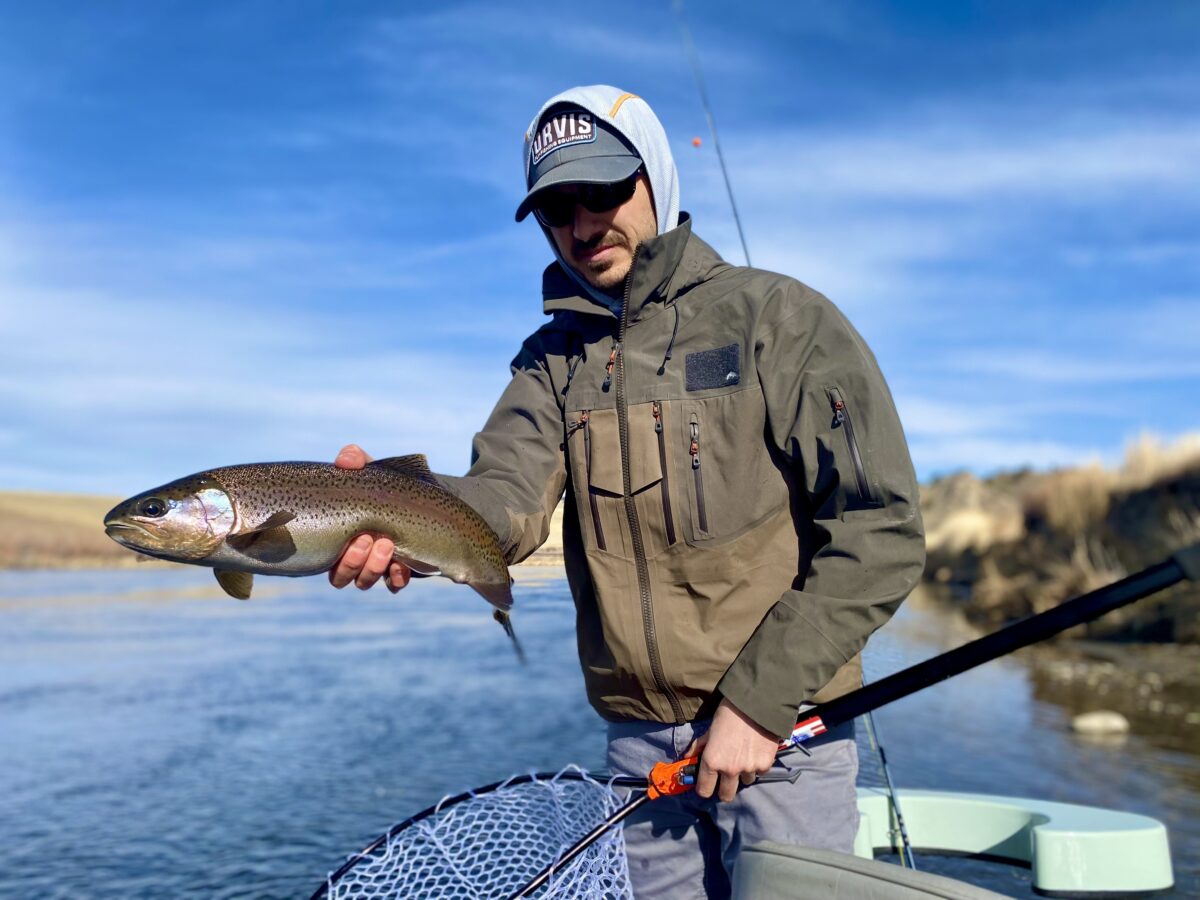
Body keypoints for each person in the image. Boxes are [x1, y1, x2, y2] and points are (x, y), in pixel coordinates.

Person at [329, 85, 925, 898]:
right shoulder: (550, 364)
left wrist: (762, 699)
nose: (581, 226)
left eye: (604, 192)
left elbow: (881, 529)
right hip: (642, 759)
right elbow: (504, 499)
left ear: (657, 180)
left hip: (784, 742)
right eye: (557, 209)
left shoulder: (779, 319)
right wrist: (395, 514)